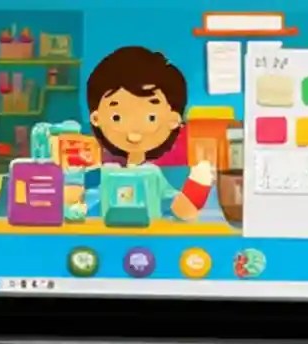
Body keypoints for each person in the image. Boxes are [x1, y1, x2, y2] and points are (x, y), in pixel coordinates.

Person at [87, 46, 214, 222]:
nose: (133, 135)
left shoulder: (152, 176)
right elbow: (81, 206)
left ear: (173, 120)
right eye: (116, 117)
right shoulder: (104, 174)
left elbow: (183, 211)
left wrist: (198, 183)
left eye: (151, 118)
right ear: (96, 118)